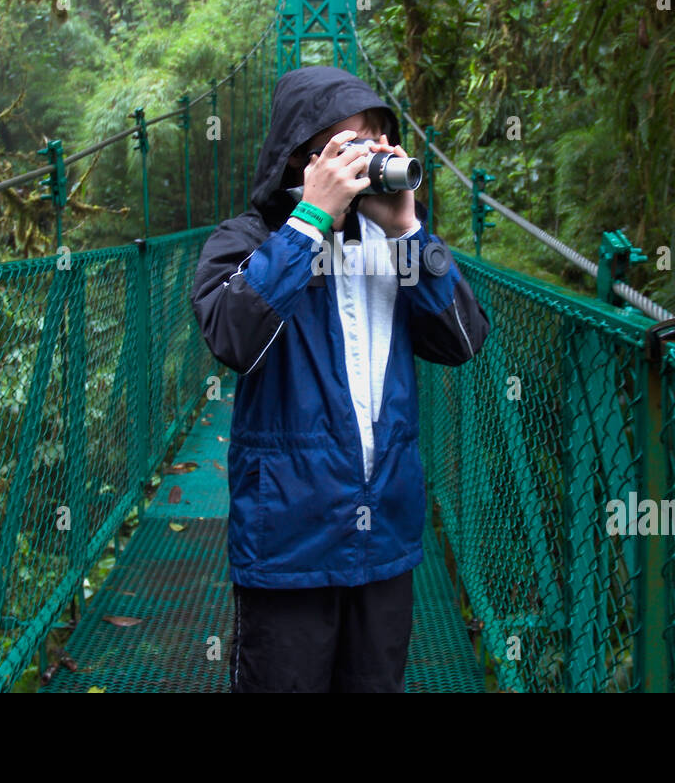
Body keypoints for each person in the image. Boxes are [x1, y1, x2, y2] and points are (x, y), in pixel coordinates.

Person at [190, 65, 490, 692]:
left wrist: (408, 230)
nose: (369, 160)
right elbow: (231, 336)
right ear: (302, 156)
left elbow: (464, 339)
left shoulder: (395, 246)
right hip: (288, 543)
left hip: (385, 537)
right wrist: (308, 222)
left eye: (379, 143)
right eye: (348, 146)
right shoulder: (247, 241)